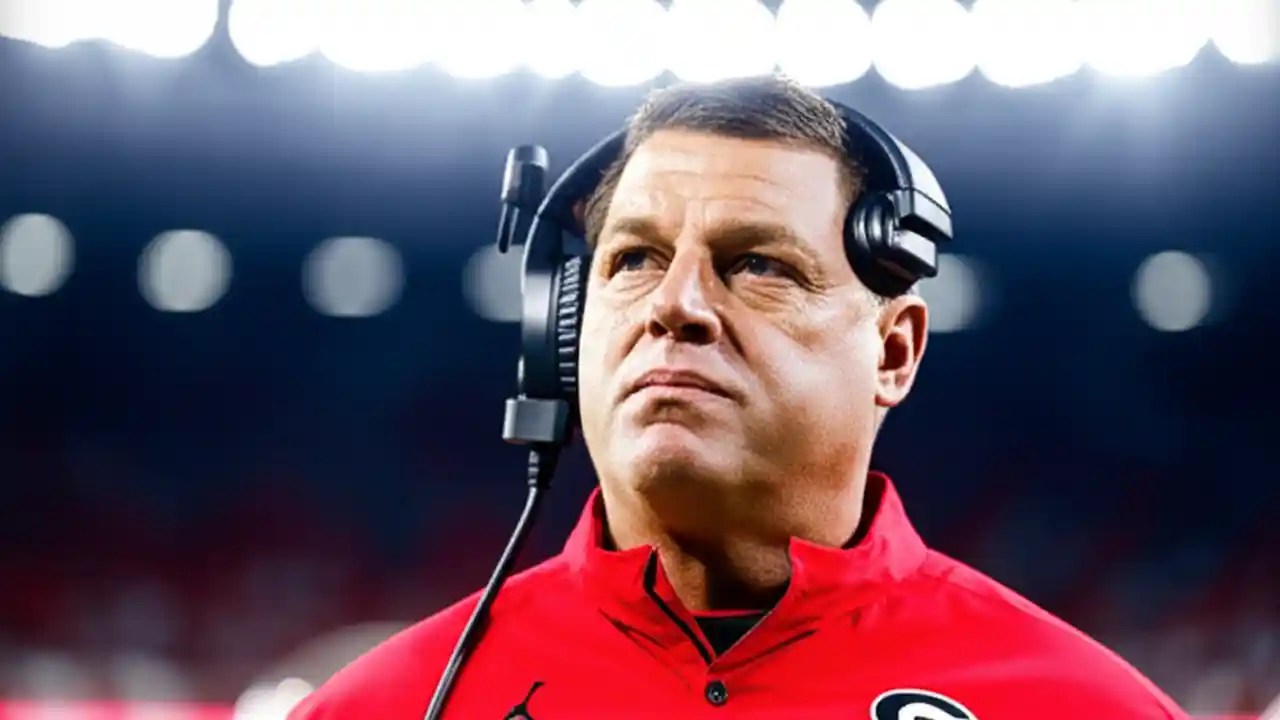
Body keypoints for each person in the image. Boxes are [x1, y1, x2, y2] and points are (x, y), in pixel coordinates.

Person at [289, 75, 1188, 720]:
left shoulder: (1083, 706)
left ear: (894, 351)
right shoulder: (385, 706)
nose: (675, 304)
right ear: (560, 330)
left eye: (757, 264)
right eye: (634, 259)